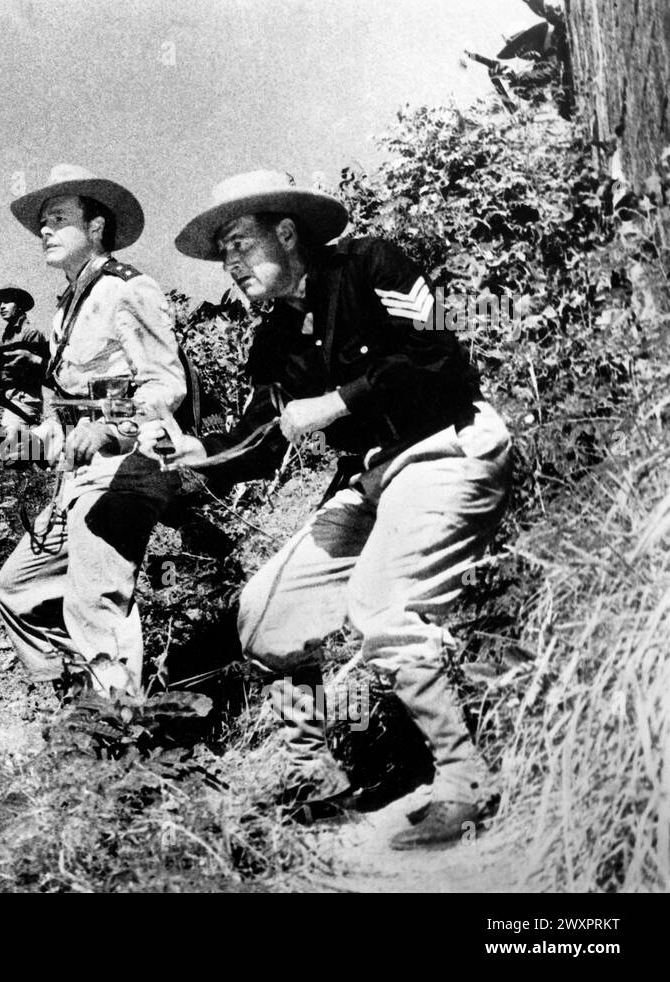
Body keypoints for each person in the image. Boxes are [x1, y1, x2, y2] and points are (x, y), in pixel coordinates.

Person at [138, 170, 513, 848]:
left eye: (241, 244)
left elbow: (442, 362)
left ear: (287, 233)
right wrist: (196, 452)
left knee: (383, 605)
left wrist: (340, 401)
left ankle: (466, 779)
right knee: (265, 616)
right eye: (223, 253)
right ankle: (316, 776)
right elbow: (259, 441)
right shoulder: (274, 341)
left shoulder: (373, 265)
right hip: (370, 477)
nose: (232, 264)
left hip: (444, 445)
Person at [0, 164, 187, 697]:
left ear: (95, 227)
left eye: (57, 218)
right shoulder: (65, 309)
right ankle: (74, 694)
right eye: (42, 224)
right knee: (13, 589)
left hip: (133, 463)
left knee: (93, 599)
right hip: (78, 477)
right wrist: (32, 438)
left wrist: (107, 427)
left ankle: (121, 738)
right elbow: (64, 408)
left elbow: (165, 387)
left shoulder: (129, 289)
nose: (45, 232)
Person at [0, 284, 47, 457]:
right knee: (18, 450)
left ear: (19, 305)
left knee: (10, 448)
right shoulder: (8, 335)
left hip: (24, 396)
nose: (1, 306)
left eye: (7, 302)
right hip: (11, 396)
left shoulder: (31, 333)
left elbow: (37, 371)